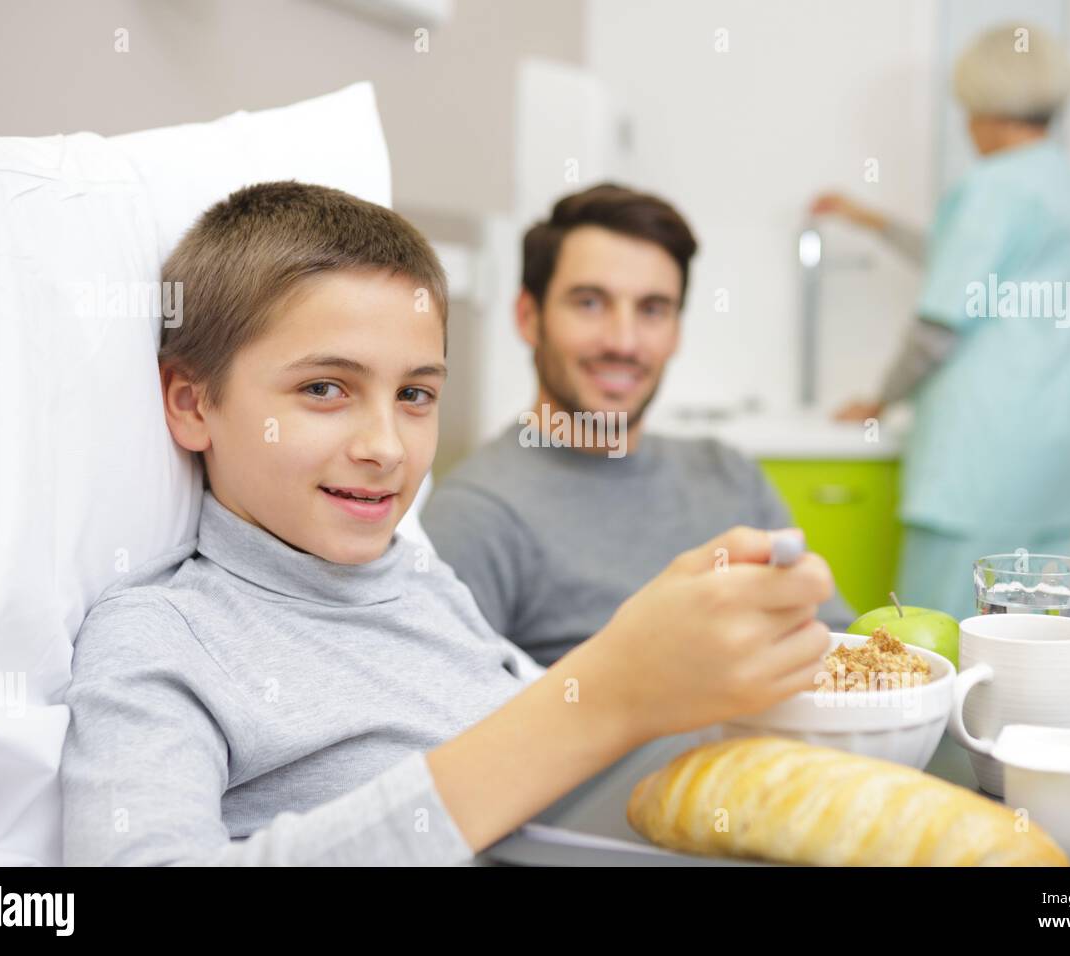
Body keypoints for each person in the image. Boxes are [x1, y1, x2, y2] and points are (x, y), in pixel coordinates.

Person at [59, 181, 834, 866]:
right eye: (326, 388)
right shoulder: (163, 637)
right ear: (194, 404)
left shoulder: (420, 581)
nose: (385, 448)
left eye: (416, 396)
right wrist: (606, 697)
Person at [421, 184, 855, 667]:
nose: (623, 342)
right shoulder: (475, 515)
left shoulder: (731, 476)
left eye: (652, 310)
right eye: (589, 302)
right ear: (528, 317)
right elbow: (458, 729)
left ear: (676, 331)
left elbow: (834, 646)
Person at [813, 23, 1070, 620]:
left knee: (939, 641)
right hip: (1049, 454)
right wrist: (872, 221)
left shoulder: (991, 188)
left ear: (988, 109)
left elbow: (936, 328)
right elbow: (960, 259)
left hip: (977, 459)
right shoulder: (1069, 188)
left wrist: (878, 401)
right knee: (1033, 644)